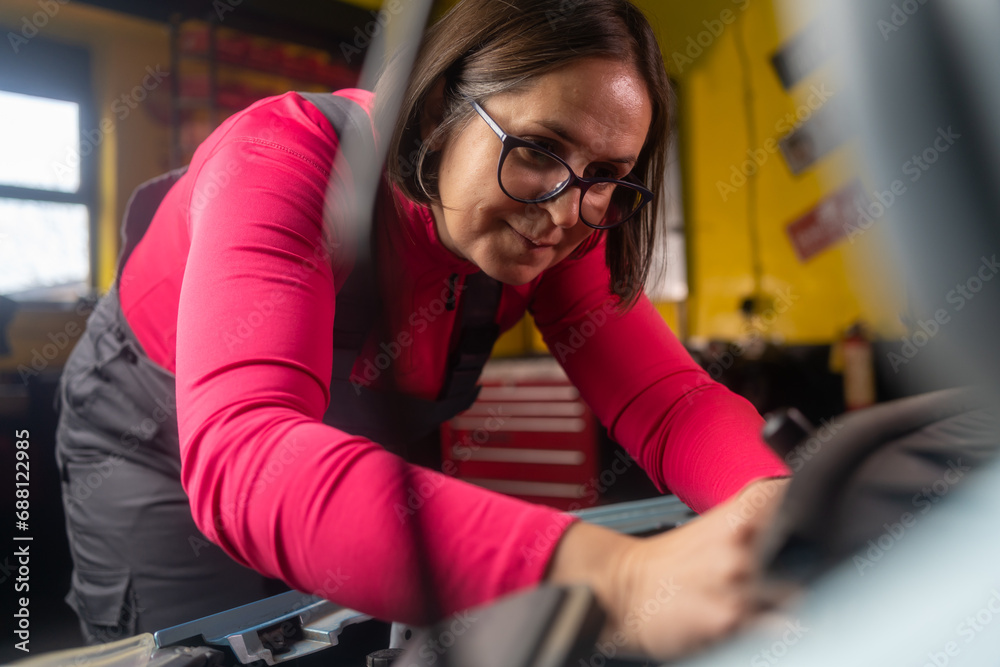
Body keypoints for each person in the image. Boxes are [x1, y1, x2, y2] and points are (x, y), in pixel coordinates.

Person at [54, 0, 790, 660]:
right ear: (438, 107)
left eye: (607, 172)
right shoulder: (283, 158)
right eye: (537, 147)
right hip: (155, 440)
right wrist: (617, 578)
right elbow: (250, 460)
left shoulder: (568, 209)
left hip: (326, 437)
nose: (570, 214)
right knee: (212, 645)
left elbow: (669, 401)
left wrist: (770, 502)